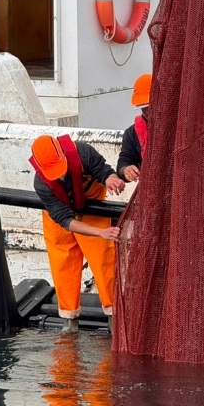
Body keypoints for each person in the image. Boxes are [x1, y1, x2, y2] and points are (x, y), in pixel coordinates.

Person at [30, 134, 126, 333]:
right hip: (62, 217)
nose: (57, 174)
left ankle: (113, 316)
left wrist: (112, 180)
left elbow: (104, 170)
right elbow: (64, 219)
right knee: (63, 263)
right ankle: (69, 320)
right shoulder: (41, 184)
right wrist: (99, 232)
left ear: (63, 154)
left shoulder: (83, 152)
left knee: (103, 260)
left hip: (92, 206)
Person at [117, 73, 151, 183]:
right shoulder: (131, 133)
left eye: (150, 106)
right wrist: (126, 170)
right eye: (143, 107)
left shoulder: (179, 126)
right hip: (150, 186)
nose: (147, 111)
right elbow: (124, 160)